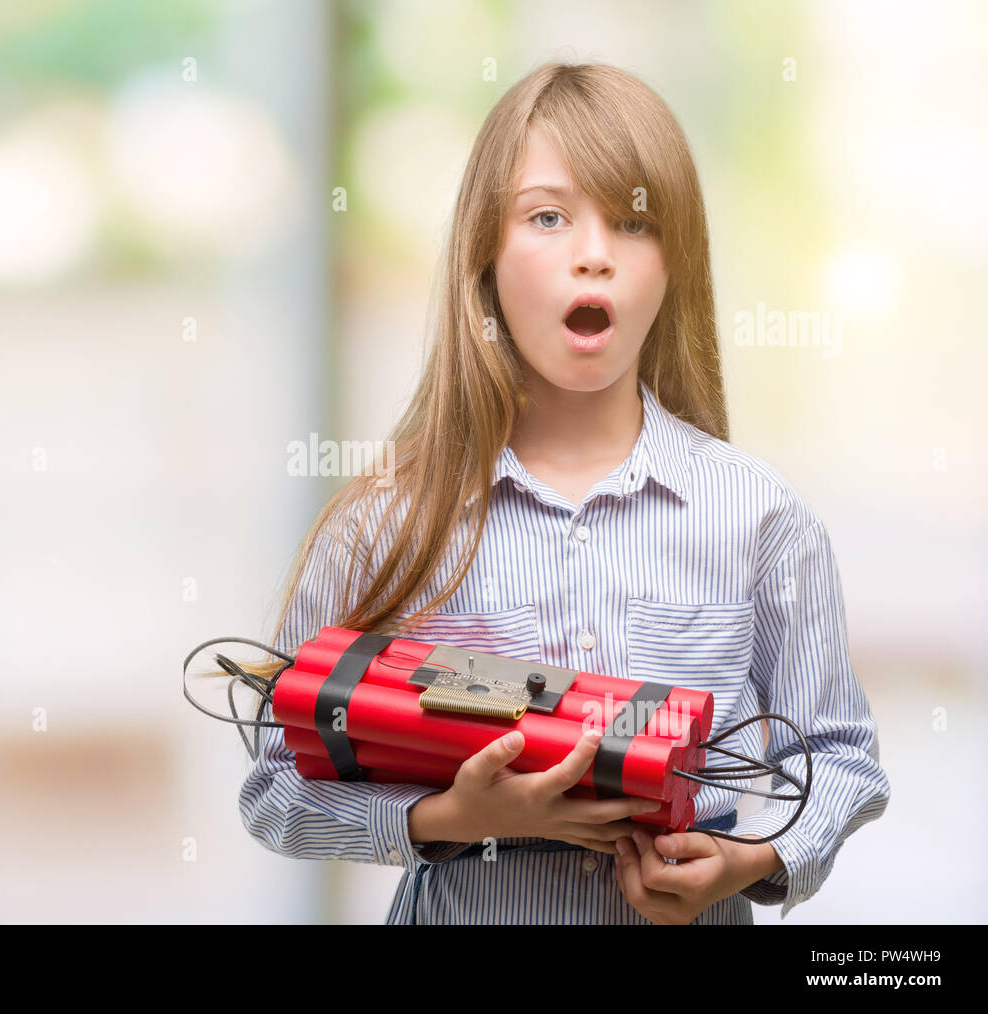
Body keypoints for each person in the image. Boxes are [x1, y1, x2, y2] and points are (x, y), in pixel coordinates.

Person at [236, 61, 889, 924]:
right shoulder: (381, 524)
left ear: (674, 261)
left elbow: (843, 758)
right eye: (547, 217)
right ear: (486, 256)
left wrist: (748, 861)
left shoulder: (759, 518)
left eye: (633, 222)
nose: (593, 254)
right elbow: (276, 792)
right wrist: (448, 820)